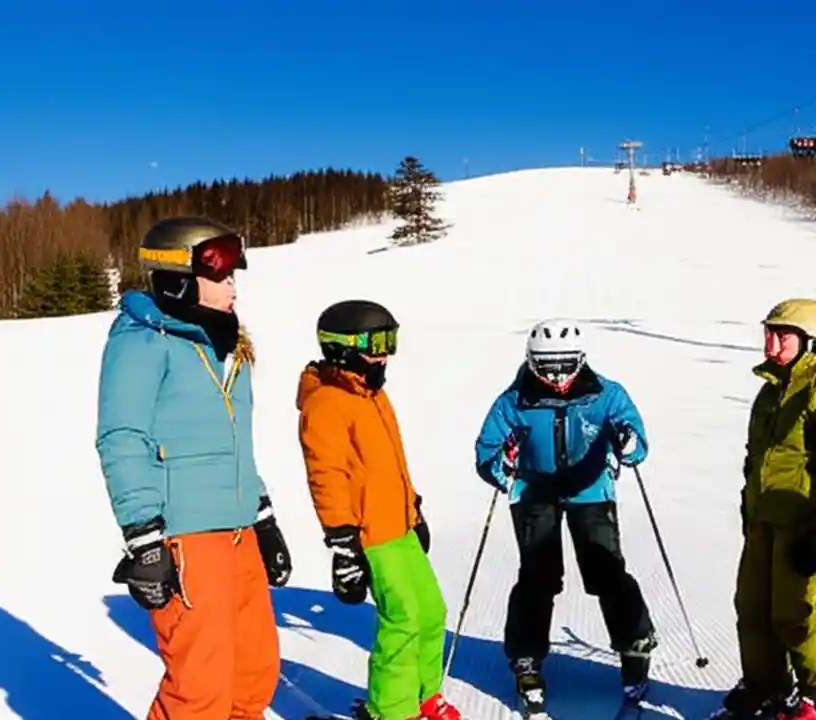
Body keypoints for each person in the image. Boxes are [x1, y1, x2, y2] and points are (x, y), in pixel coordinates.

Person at [96, 216, 292, 720]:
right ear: (178, 280)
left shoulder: (228, 348)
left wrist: (263, 516)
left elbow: (234, 448)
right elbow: (122, 439)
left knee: (254, 673)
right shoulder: (142, 342)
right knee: (198, 689)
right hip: (185, 539)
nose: (233, 289)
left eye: (234, 278)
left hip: (238, 531)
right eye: (222, 278)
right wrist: (143, 540)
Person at [473, 318, 656, 717]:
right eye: (546, 367)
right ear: (530, 362)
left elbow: (637, 439)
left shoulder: (606, 395)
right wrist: (500, 464)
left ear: (582, 360)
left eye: (565, 365)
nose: (556, 377)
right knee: (538, 577)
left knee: (606, 571)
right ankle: (526, 659)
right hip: (534, 494)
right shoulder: (514, 401)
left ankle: (634, 645)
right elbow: (486, 452)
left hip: (591, 491)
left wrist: (629, 442)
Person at [296, 299, 459, 720]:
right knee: (401, 619)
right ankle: (390, 709)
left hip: (399, 525)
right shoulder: (327, 403)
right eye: (377, 343)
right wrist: (342, 539)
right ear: (343, 348)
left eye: (391, 341)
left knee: (431, 611)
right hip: (370, 533)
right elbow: (326, 474)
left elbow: (391, 463)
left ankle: (424, 696)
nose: (385, 354)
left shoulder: (372, 395)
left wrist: (414, 508)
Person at [711, 298, 816, 720]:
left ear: (813, 342)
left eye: (783, 337)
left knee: (792, 611)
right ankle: (765, 685)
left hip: (804, 523)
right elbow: (756, 456)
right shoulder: (771, 391)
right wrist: (750, 508)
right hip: (764, 518)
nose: (771, 345)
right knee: (751, 605)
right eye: (769, 334)